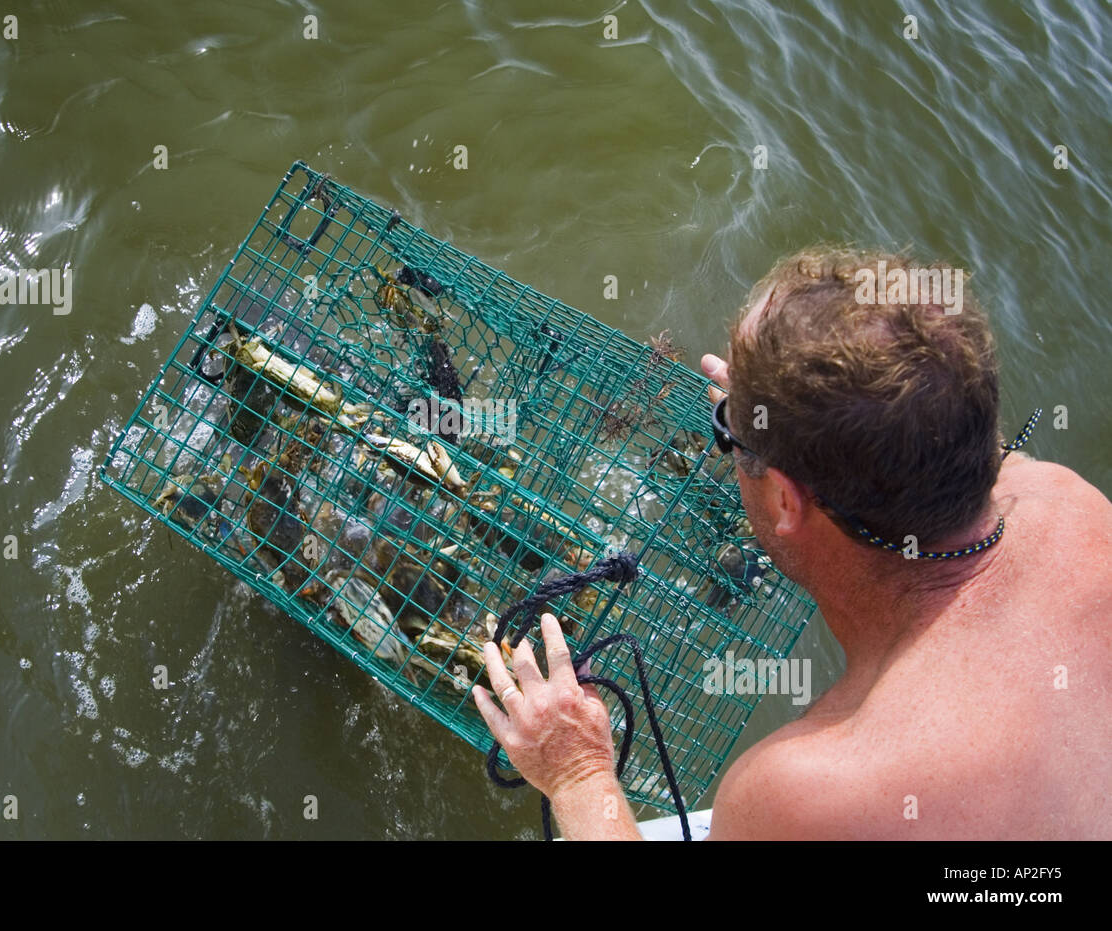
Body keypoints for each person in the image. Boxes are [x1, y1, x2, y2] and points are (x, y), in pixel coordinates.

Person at [473, 247, 1112, 840]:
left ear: (784, 500)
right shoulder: (1072, 505)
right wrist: (777, 416)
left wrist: (578, 774)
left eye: (729, 430)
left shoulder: (809, 792)